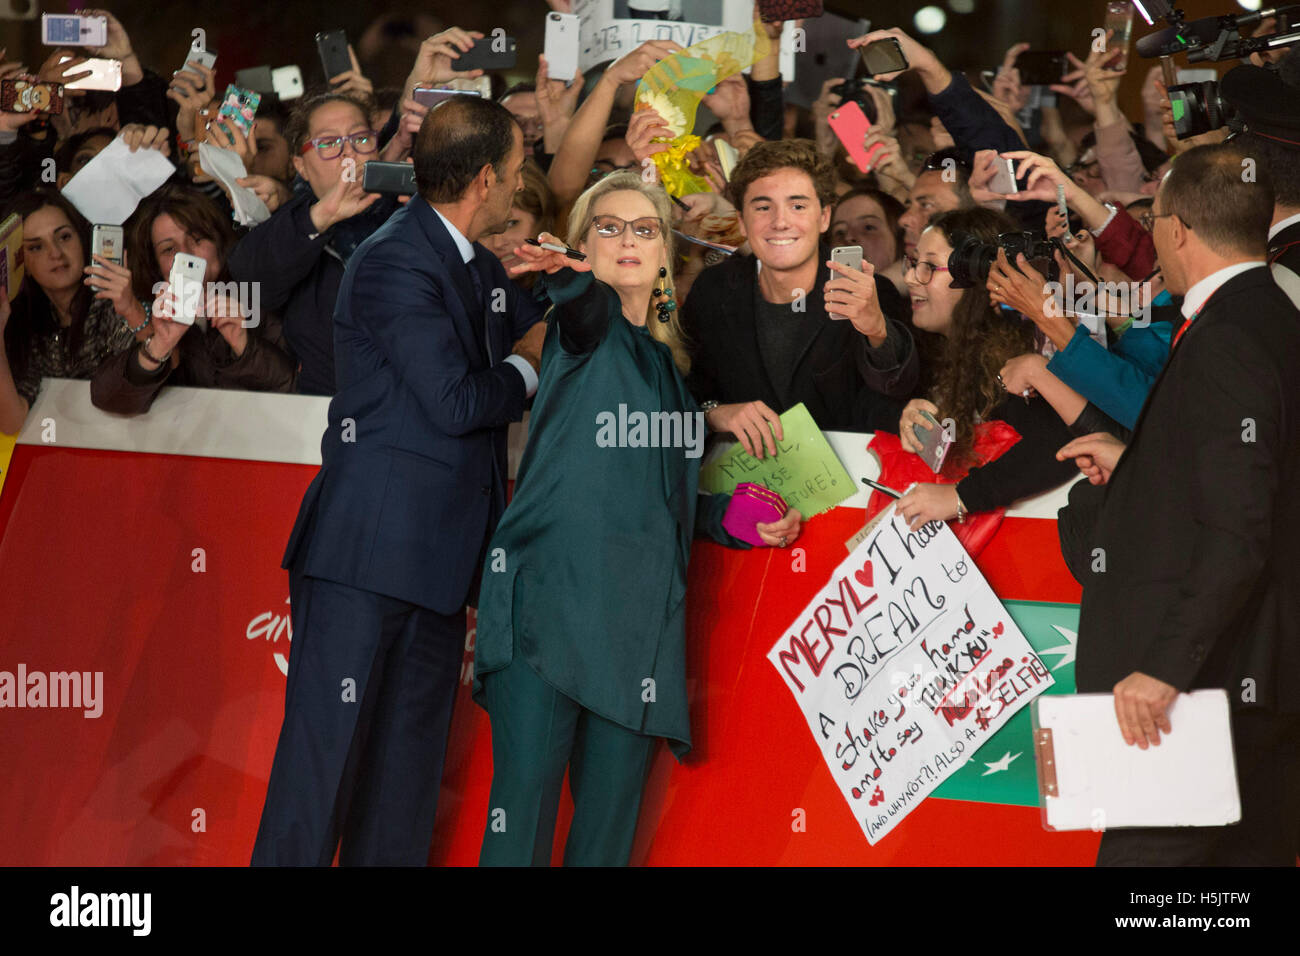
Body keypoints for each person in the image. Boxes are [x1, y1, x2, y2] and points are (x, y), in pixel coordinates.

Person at [474, 171, 803, 866]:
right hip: (547, 614)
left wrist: (730, 520)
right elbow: (583, 308)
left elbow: (656, 496)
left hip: (633, 633)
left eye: (644, 229)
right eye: (608, 227)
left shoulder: (667, 371)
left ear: (664, 255)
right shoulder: (576, 331)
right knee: (519, 830)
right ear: (582, 248)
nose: (627, 240)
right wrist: (565, 281)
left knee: (606, 843)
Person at [252, 94, 546, 866]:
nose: (521, 188)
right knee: (320, 782)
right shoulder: (391, 260)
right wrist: (527, 366)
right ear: (485, 178)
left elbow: (540, 313)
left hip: (439, 572)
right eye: (517, 174)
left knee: (401, 794)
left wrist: (565, 284)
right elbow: (454, 402)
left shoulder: (474, 262)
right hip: (364, 562)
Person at [1060, 142, 1300, 866]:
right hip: (1263, 683)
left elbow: (1237, 531)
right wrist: (1143, 466)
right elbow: (1255, 477)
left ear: (1176, 230)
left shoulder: (1227, 338)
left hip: (1208, 689)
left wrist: (1165, 667)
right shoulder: (1274, 318)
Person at [684, 139, 918, 452]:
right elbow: (679, 397)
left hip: (846, 487)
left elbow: (894, 399)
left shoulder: (868, 290)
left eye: (797, 206)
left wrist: (877, 330)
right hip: (739, 488)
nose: (780, 222)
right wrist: (713, 414)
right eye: (763, 207)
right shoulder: (713, 291)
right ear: (741, 221)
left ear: (824, 217)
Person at [892, 208, 1080, 530]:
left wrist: (960, 496)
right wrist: (920, 418)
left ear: (979, 278)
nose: (911, 278)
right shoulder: (942, 349)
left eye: (929, 267)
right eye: (913, 262)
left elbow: (1061, 443)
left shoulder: (1011, 357)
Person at [226, 90, 397, 396]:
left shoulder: (408, 214)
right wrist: (323, 214)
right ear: (301, 165)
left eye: (360, 138)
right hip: (324, 415)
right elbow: (249, 278)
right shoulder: (294, 222)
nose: (349, 154)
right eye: (329, 143)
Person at [90, 186, 297, 413]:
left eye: (197, 239)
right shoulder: (148, 314)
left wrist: (243, 345)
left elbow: (296, 395)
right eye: (169, 249)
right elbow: (108, 399)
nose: (186, 253)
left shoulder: (256, 299)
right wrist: (159, 346)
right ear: (156, 267)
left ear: (220, 244)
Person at [0, 188, 136, 433]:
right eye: (36, 247)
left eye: (63, 237)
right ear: (22, 265)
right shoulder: (30, 326)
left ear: (82, 239)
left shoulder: (113, 303)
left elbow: (145, 382)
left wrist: (134, 310)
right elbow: (13, 423)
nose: (55, 253)